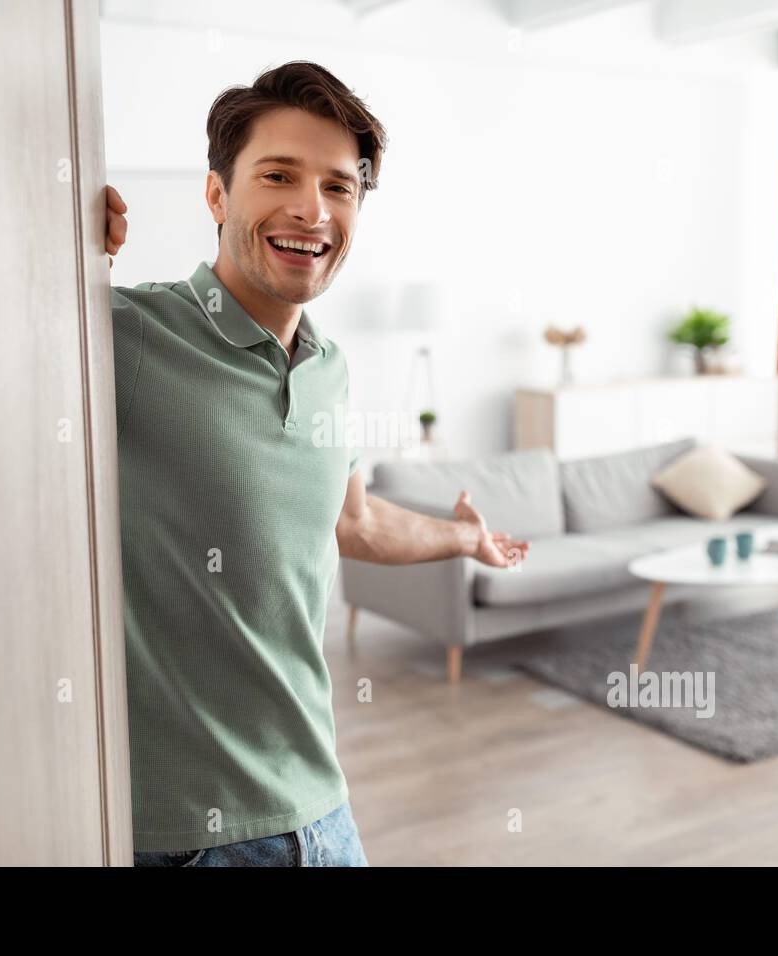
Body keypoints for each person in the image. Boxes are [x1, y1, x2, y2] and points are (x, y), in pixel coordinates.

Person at [104, 61, 529, 867]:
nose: (313, 208)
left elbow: (354, 518)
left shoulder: (330, 366)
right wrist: (46, 232)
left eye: (340, 187)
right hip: (198, 839)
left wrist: (462, 540)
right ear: (217, 195)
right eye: (278, 175)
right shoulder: (128, 335)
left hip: (322, 811)